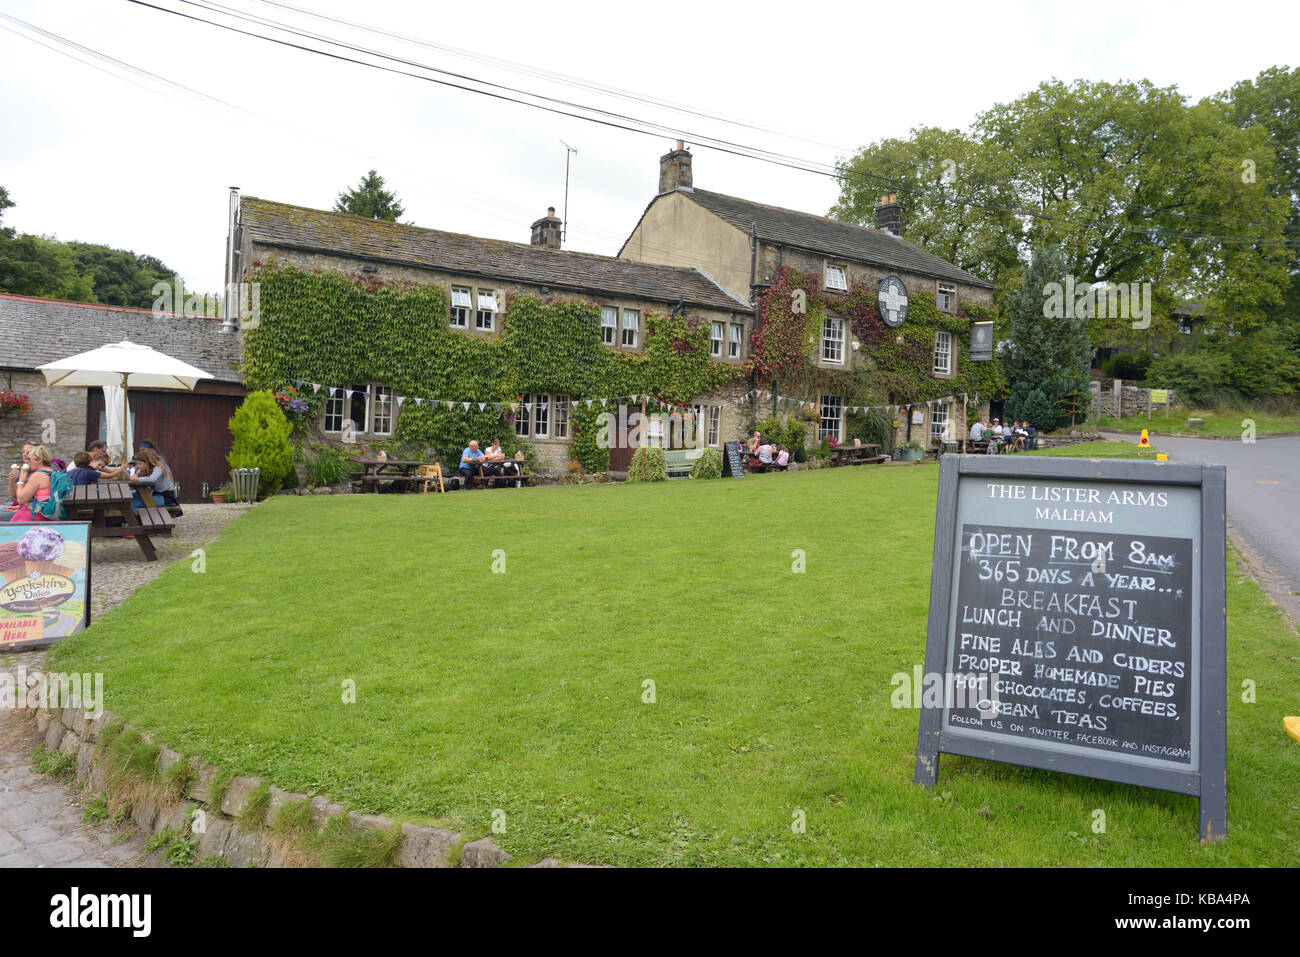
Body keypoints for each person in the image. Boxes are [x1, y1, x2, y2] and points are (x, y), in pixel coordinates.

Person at [6, 446, 53, 521]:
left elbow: (20, 500)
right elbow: (44, 497)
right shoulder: (53, 472)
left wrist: (21, 480)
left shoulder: (38, 475)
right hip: (48, 513)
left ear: (39, 460)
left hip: (37, 515)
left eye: (29, 459)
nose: (27, 462)